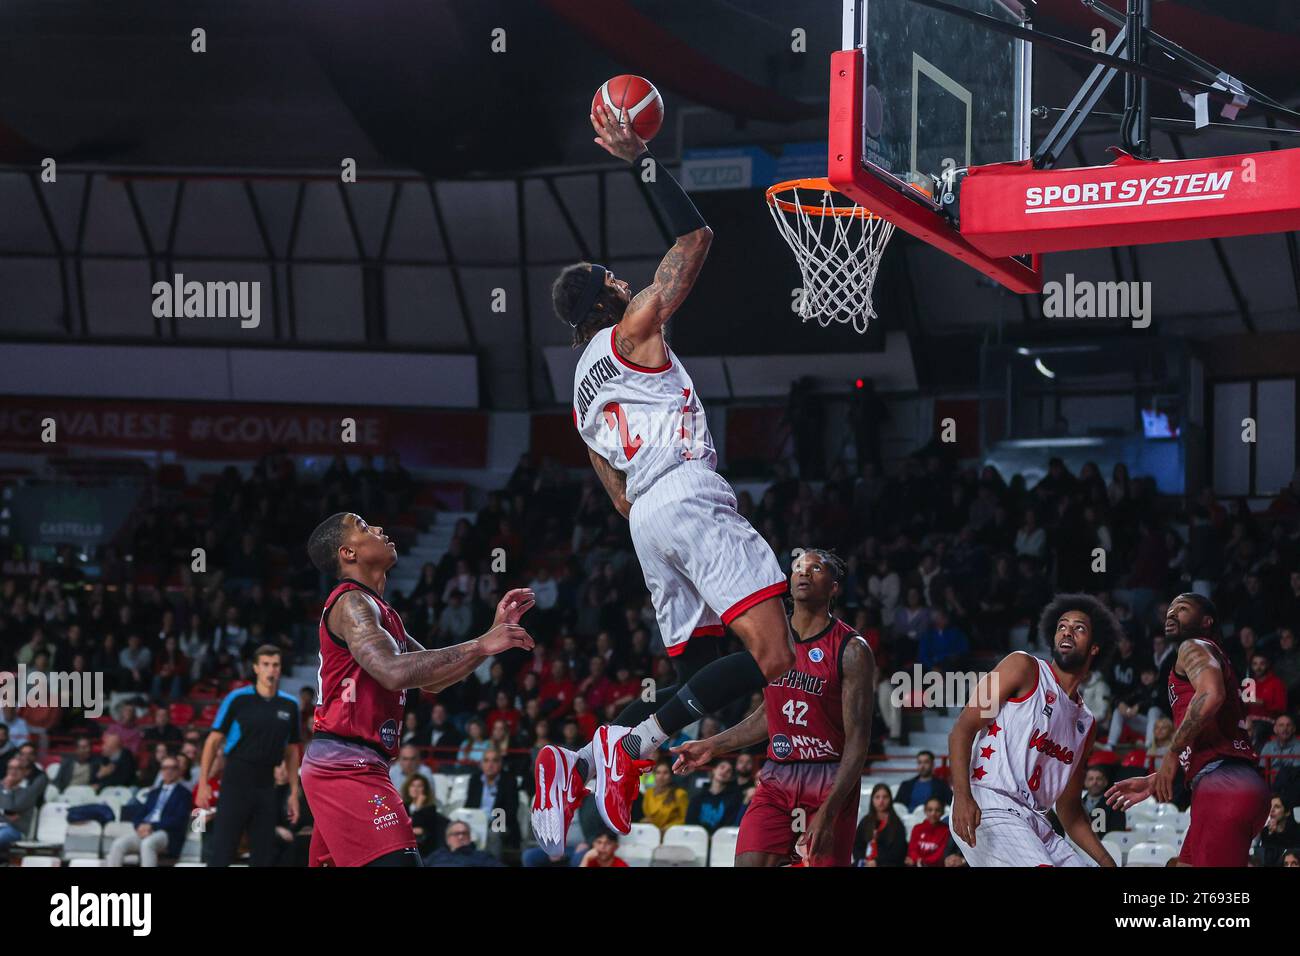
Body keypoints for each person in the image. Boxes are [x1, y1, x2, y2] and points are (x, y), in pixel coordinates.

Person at [532, 103, 794, 850]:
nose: (625, 280)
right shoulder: (632, 330)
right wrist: (640, 159)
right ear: (604, 302)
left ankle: (589, 761)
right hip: (685, 493)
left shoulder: (581, 387)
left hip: (646, 519)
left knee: (720, 674)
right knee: (776, 658)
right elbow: (696, 237)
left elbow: (610, 485)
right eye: (613, 280)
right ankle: (627, 747)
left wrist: (654, 506)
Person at [300, 512, 534, 867]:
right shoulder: (351, 603)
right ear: (348, 553)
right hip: (346, 765)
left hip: (351, 760)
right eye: (364, 527)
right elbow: (392, 672)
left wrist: (491, 640)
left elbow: (434, 679)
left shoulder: (380, 611)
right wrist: (482, 644)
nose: (379, 528)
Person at [673, 550, 874, 866]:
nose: (803, 573)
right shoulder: (770, 641)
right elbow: (769, 715)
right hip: (777, 775)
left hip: (829, 778)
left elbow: (858, 740)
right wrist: (712, 745)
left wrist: (829, 809)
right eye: (797, 567)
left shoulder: (852, 650)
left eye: (815, 568)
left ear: (834, 587)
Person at [948, 594, 1118, 867]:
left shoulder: (1086, 724)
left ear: (1095, 648)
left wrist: (1107, 863)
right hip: (988, 804)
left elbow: (1070, 810)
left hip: (1035, 821)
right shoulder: (1023, 667)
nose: (1067, 632)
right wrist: (963, 797)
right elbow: (961, 730)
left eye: (1079, 628)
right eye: (1062, 626)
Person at [1107, 594, 1272, 866]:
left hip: (1224, 786)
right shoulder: (1215, 656)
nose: (1171, 614)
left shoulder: (1192, 646)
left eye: (1182, 609)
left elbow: (1210, 695)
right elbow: (1211, 731)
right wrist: (1161, 776)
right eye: (1169, 609)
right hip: (1230, 783)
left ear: (1207, 621)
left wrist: (1171, 753)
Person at [199, 646, 302, 867]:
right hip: (236, 781)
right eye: (265, 664)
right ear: (255, 668)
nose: (270, 670)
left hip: (267, 786)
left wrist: (294, 791)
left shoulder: (290, 705)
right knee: (222, 852)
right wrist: (203, 783)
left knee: (264, 856)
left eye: (275, 665)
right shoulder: (237, 699)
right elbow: (212, 741)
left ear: (280, 668)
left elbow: (292, 750)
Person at [107, 756, 190, 867]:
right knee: (118, 844)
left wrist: (152, 826)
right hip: (146, 831)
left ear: (178, 771)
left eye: (173, 768)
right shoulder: (154, 792)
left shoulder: (184, 794)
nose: (169, 771)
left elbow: (178, 820)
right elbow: (140, 814)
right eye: (165, 768)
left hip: (167, 833)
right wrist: (139, 826)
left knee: (147, 844)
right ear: (161, 771)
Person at [466, 749, 521, 859]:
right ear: (481, 764)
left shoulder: (509, 780)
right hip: (477, 821)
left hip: (500, 822)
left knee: (493, 833)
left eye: (494, 761)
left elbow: (510, 811)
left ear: (500, 764)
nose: (490, 765)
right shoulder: (475, 779)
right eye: (486, 761)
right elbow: (469, 805)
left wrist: (489, 822)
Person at [853, 783, 906, 866]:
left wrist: (877, 862)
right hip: (865, 863)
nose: (881, 801)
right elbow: (857, 846)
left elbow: (898, 852)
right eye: (877, 797)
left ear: (890, 799)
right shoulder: (865, 821)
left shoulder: (897, 824)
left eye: (885, 797)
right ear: (872, 800)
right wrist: (863, 860)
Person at [684, 760, 742, 834]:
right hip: (696, 838)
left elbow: (730, 824)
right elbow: (689, 822)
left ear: (730, 777)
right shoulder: (697, 797)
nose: (724, 772)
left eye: (729, 771)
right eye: (722, 767)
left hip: (720, 840)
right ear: (714, 770)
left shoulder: (734, 799)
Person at [0, 756, 40, 855]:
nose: (13, 771)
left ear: (25, 772)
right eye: (10, 768)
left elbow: (9, 809)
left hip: (15, 830)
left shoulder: (29, 791)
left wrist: (7, 789)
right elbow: (9, 813)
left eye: (17, 768)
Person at [636, 759, 689, 833]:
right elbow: (647, 816)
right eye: (658, 773)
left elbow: (685, 819)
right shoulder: (648, 793)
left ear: (670, 776)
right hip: (651, 833)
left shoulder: (680, 794)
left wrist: (669, 828)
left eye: (665, 773)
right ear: (654, 775)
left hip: (672, 834)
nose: (661, 776)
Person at [423, 819, 503, 867]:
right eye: (456, 834)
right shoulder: (437, 855)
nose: (461, 837)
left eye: (464, 833)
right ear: (448, 839)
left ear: (470, 837)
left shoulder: (481, 856)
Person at [401, 775, 448, 858]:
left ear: (425, 790)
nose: (415, 789)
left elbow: (420, 831)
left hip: (423, 848)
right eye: (412, 786)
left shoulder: (430, 809)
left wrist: (418, 807)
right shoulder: (403, 806)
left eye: (419, 786)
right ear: (408, 788)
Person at [1253, 795, 1299, 867]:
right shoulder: (1266, 831)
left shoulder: (1296, 830)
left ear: (1287, 812)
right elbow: (1267, 859)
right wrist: (1271, 834)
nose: (1272, 810)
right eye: (1270, 806)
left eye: (1277, 807)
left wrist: (1277, 835)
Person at [905, 797, 950, 867]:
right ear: (925, 811)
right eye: (930, 810)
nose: (933, 813)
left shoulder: (946, 830)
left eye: (937, 810)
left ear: (942, 812)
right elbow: (912, 851)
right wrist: (919, 861)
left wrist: (921, 862)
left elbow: (940, 855)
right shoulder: (917, 828)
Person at [1081, 765, 1126, 834]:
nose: (1094, 782)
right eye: (1090, 779)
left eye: (1098, 779)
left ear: (1105, 782)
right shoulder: (1077, 804)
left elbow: (1117, 832)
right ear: (1085, 783)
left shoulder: (1115, 805)